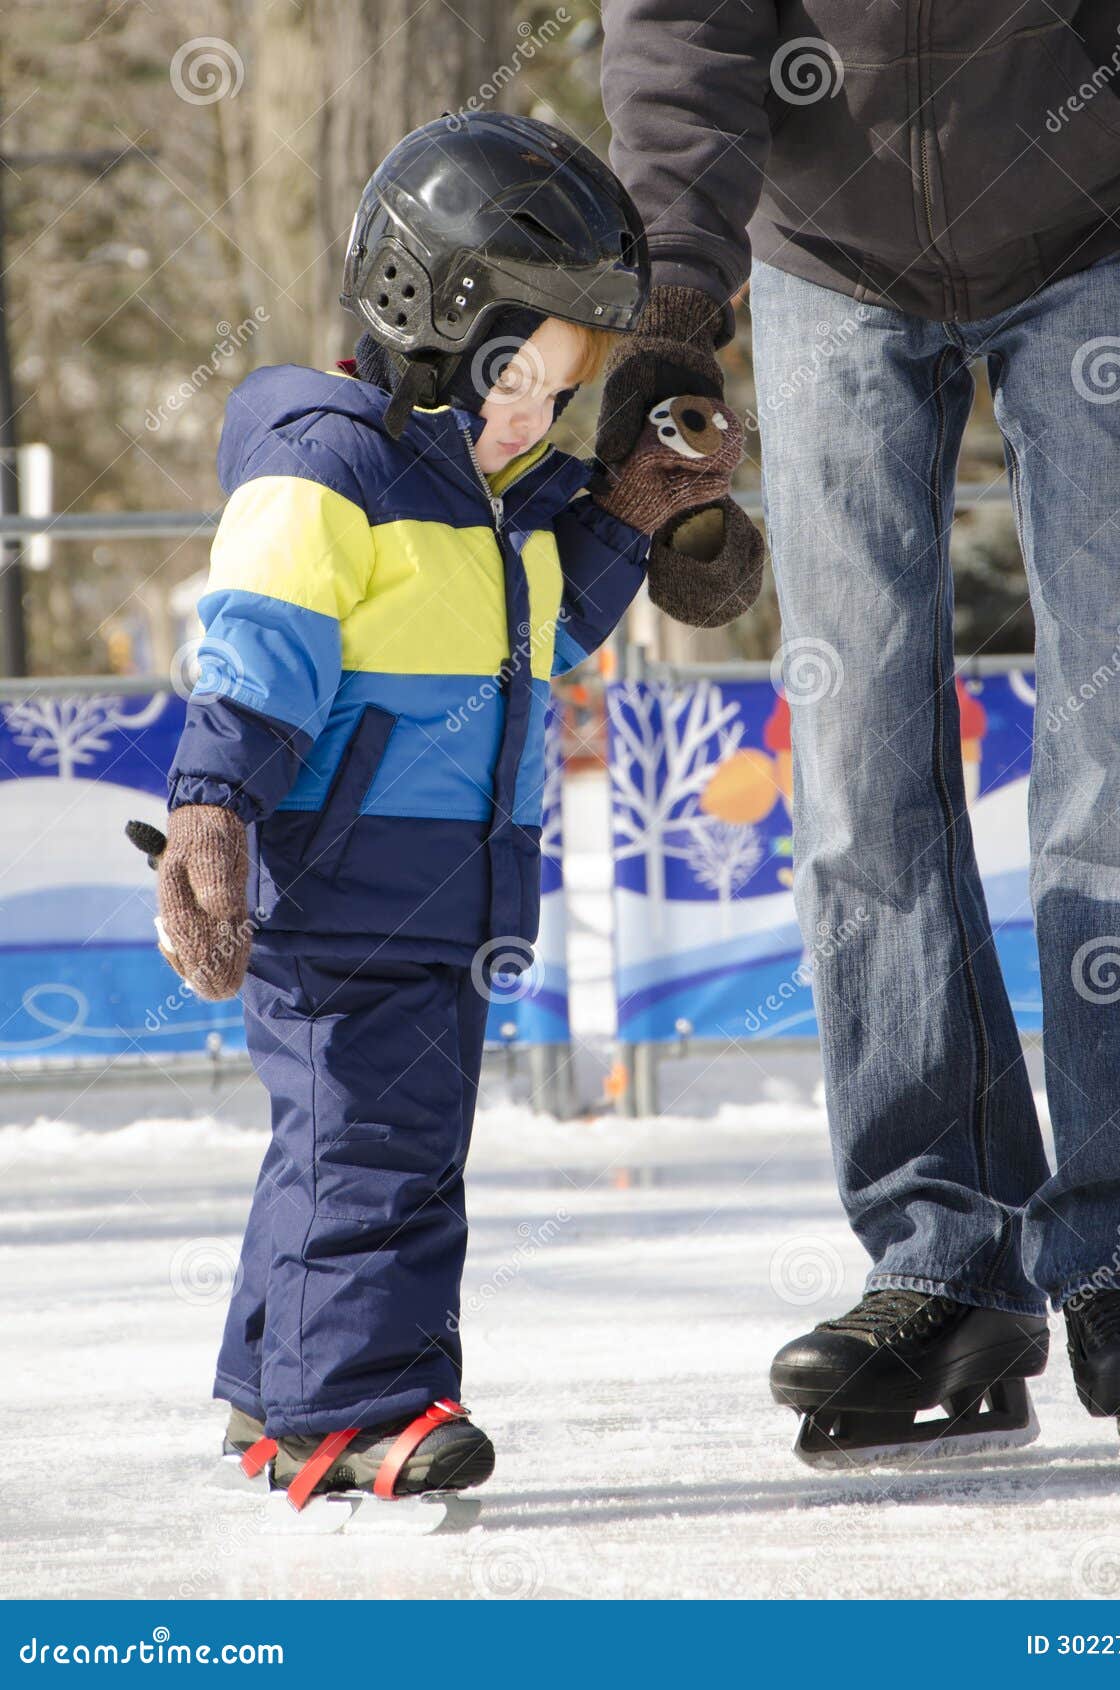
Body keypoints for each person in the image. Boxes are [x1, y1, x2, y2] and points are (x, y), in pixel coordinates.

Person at [597, 0, 1120, 1475]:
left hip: (1104, 228)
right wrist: (672, 295)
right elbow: (681, 22)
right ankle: (943, 1260)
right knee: (855, 759)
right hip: (827, 249)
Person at [152, 111, 742, 1511]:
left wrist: (625, 516)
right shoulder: (331, 470)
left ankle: (265, 1380)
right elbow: (257, 651)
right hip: (343, 886)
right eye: (520, 383)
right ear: (433, 319)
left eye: (562, 392)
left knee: (362, 1145)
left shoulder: (502, 499)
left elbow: (539, 639)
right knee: (376, 1156)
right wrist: (213, 806)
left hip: (447, 892)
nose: (540, 420)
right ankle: (348, 1412)